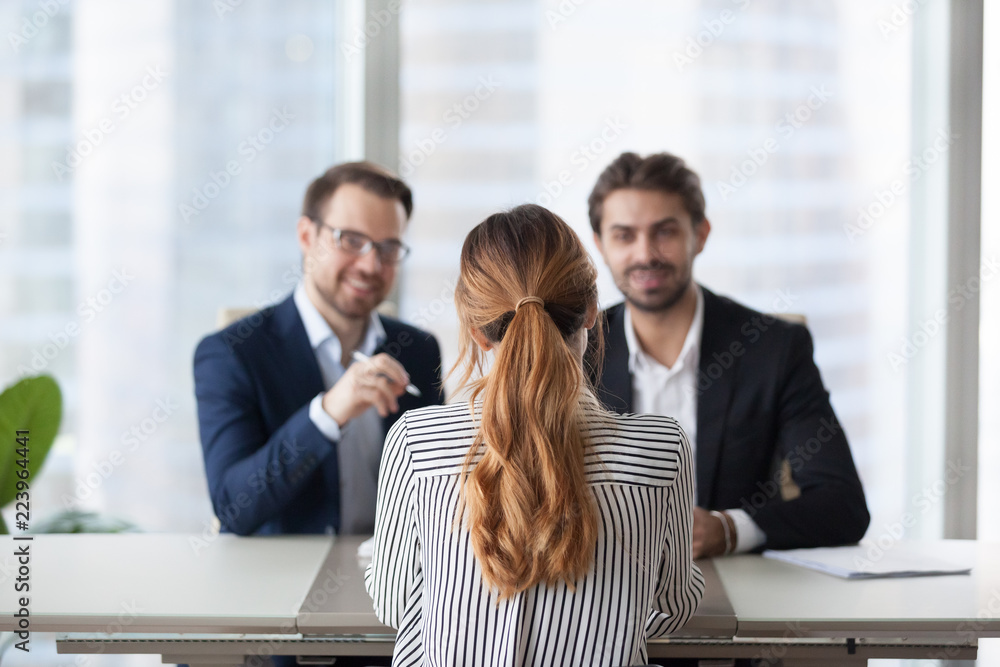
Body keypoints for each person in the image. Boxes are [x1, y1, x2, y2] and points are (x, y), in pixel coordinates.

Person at [366, 204, 705, 667]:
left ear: (476, 330)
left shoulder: (415, 442)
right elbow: (674, 605)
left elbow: (392, 601)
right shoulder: (662, 449)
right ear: (590, 311)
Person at [588, 151, 870, 558]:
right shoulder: (574, 351)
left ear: (700, 235)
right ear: (600, 244)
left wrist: (728, 529)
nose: (645, 253)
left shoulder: (773, 349)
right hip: (602, 593)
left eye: (664, 232)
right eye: (624, 235)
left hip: (736, 597)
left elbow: (842, 505)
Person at [194, 161, 444, 537]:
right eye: (350, 240)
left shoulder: (420, 350)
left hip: (397, 580)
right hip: (282, 584)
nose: (370, 264)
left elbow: (438, 492)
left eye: (388, 248)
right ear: (307, 236)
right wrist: (327, 414)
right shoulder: (230, 354)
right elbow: (233, 506)